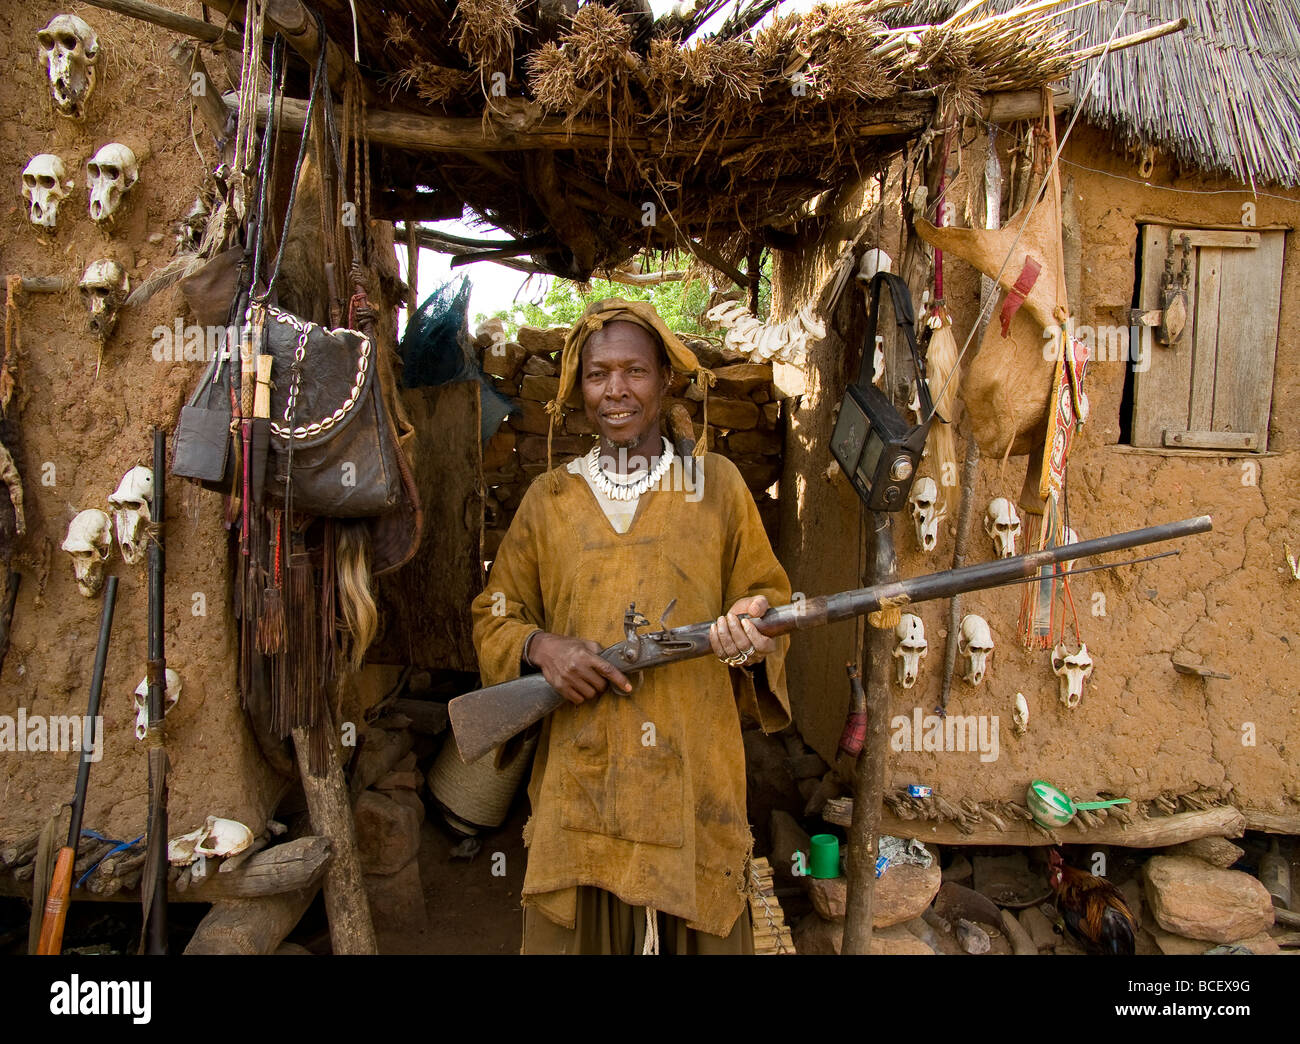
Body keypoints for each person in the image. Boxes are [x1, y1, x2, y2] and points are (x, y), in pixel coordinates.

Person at [471, 299, 791, 954]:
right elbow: (494, 614)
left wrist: (751, 631)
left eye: (634, 371)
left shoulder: (719, 487)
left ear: (666, 380)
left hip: (692, 784)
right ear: (578, 388)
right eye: (598, 374)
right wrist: (540, 647)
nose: (615, 390)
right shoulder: (548, 501)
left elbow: (764, 598)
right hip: (583, 793)